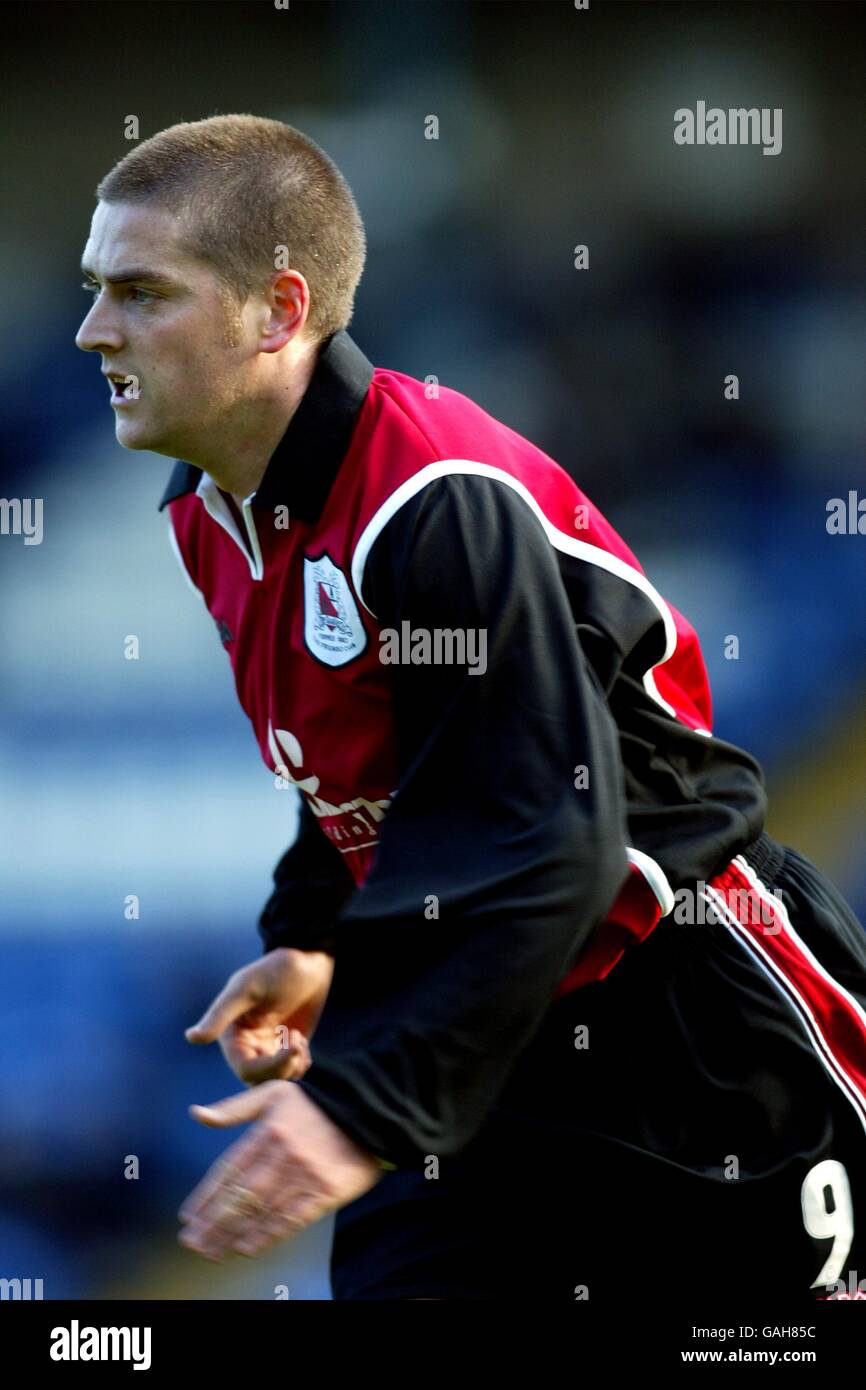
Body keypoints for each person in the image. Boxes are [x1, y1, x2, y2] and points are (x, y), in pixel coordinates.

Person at [76, 114, 866, 1301]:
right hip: (475, 1031)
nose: (95, 331)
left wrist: (360, 1109)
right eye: (94, 291)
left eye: (142, 293)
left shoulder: (430, 493)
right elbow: (370, 776)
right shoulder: (212, 514)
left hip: (685, 1022)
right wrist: (314, 942)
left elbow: (550, 823)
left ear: (278, 311)